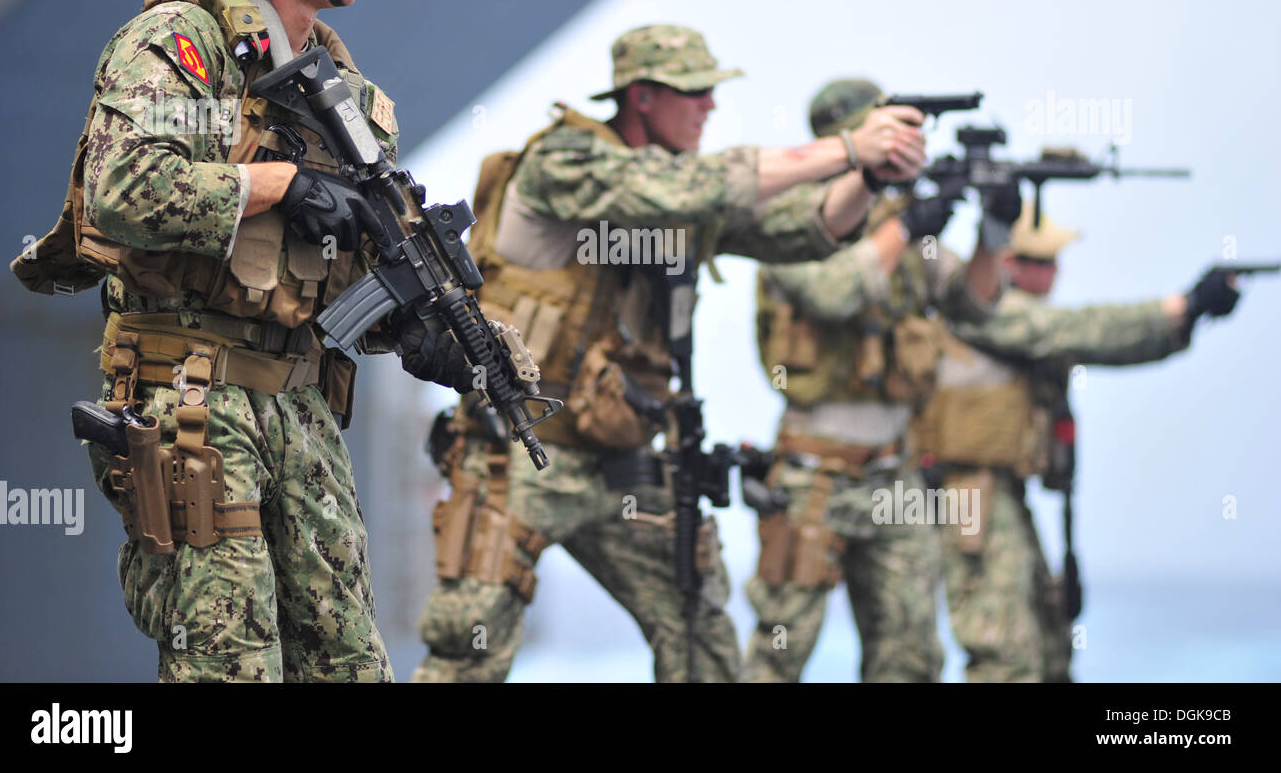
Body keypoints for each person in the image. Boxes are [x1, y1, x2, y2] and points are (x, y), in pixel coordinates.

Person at [9, 0, 451, 682]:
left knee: (348, 665)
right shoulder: (184, 45)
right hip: (193, 399)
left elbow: (348, 273)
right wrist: (275, 185)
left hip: (301, 405)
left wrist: (427, 325)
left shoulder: (347, 95)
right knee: (228, 664)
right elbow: (126, 188)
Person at [411, 34, 930, 683]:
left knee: (700, 632)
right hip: (516, 449)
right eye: (695, 90)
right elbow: (669, 188)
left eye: (713, 90)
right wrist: (851, 146)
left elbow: (806, 229)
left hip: (621, 458)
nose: (710, 105)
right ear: (643, 96)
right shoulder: (567, 159)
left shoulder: (683, 192)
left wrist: (870, 178)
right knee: (471, 645)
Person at [740, 77, 1016, 683]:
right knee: (779, 654)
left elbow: (975, 307)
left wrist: (994, 234)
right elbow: (834, 292)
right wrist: (911, 222)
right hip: (815, 473)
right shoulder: (794, 220)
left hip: (895, 472)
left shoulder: (903, 227)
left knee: (911, 655)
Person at [910, 210, 1244, 681]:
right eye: (1038, 262)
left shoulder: (1014, 321)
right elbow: (1086, 330)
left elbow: (1102, 341)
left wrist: (1186, 314)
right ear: (1006, 261)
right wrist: (1182, 307)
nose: (1051, 275)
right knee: (1004, 653)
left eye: (1053, 263)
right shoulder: (987, 313)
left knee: (1049, 650)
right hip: (970, 499)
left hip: (999, 496)